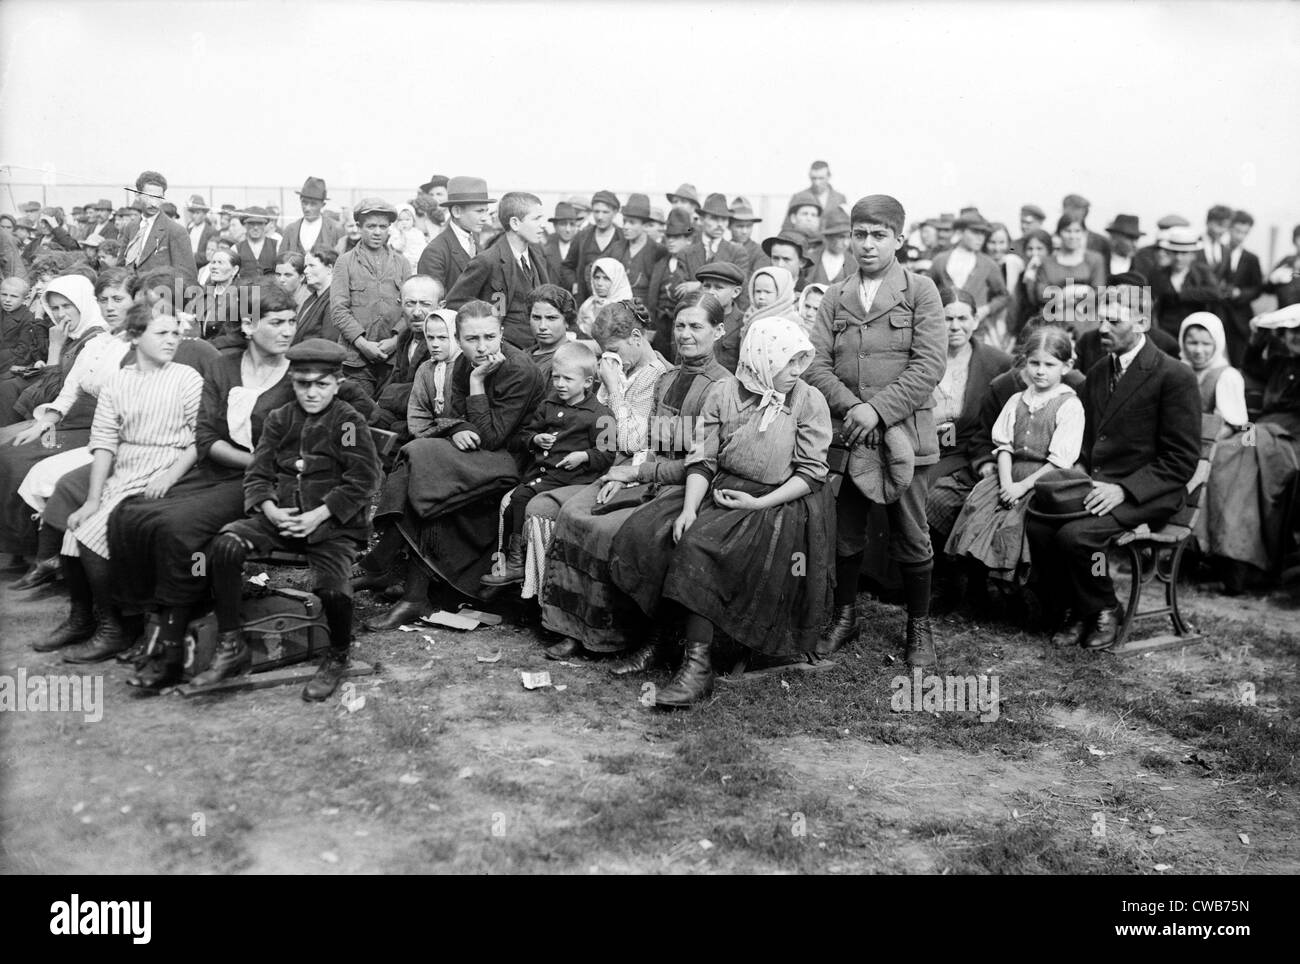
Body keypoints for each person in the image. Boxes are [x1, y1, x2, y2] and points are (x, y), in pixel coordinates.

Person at [608, 316, 834, 704]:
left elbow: (811, 473)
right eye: (789, 362)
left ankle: (698, 669)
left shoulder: (808, 400)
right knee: (652, 532)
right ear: (762, 358)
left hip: (779, 501)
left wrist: (759, 501)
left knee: (700, 547)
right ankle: (661, 639)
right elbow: (703, 460)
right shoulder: (726, 393)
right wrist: (690, 508)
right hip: (720, 487)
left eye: (801, 362)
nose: (797, 371)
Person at [538, 292, 727, 661]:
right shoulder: (668, 377)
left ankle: (612, 635)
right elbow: (647, 440)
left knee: (607, 529)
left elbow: (701, 459)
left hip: (686, 484)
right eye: (680, 326)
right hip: (647, 472)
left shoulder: (722, 386)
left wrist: (634, 472)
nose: (686, 335)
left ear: (718, 331)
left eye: (696, 327)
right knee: (576, 512)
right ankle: (573, 627)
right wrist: (620, 473)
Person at [803, 194, 946, 667]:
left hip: (904, 435)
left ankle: (918, 626)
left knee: (911, 532)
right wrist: (853, 408)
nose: (867, 244)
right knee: (847, 532)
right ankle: (845, 616)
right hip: (849, 436)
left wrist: (879, 411)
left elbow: (929, 365)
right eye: (859, 234)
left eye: (879, 235)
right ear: (849, 237)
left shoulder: (921, 290)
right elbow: (816, 364)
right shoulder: (835, 296)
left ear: (899, 240)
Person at [201, 338, 381, 699]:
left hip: (331, 523)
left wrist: (318, 515)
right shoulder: (280, 418)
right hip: (280, 518)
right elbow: (258, 472)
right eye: (303, 383)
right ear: (293, 381)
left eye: (322, 384)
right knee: (224, 546)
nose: (311, 393)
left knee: (333, 587)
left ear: (337, 382)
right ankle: (230, 641)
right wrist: (269, 509)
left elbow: (363, 479)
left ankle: (338, 653)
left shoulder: (347, 421)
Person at [1025, 284, 1201, 651]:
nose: (1102, 328)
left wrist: (1124, 490)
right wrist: (1078, 475)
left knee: (1077, 537)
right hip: (1099, 484)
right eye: (1100, 318)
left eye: (1113, 320)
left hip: (1151, 492)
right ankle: (1077, 607)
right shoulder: (1101, 370)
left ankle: (1105, 607)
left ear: (1141, 322)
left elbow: (1181, 460)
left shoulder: (1174, 376)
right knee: (1040, 523)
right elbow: (1089, 439)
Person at [360, 302, 544, 627]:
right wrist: (457, 428)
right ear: (459, 338)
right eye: (472, 339)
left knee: (422, 460)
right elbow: (451, 415)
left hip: (516, 458)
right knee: (418, 455)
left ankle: (389, 569)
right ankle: (405, 586)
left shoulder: (519, 370)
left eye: (490, 336)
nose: (482, 347)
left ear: (502, 333)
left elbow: (494, 436)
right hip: (477, 448)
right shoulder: (462, 362)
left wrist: (477, 383)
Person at [50, 305, 202, 663]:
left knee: (92, 534)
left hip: (169, 466)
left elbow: (200, 439)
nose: (171, 340)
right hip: (127, 467)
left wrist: (168, 475)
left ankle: (117, 627)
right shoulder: (118, 381)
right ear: (135, 338)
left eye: (174, 333)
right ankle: (83, 617)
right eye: (161, 333)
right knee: (74, 527)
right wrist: (92, 498)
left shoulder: (186, 378)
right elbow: (104, 441)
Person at [945, 325, 1083, 586]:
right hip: (1009, 473)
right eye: (1034, 363)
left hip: (1044, 479)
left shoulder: (1069, 405)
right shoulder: (1017, 399)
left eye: (1050, 364)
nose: (1040, 371)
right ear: (1024, 362)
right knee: (977, 509)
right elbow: (1004, 446)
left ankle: (1017, 588)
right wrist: (1007, 482)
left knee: (1015, 523)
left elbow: (1059, 460)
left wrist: (1020, 487)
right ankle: (977, 585)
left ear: (1066, 366)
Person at [481, 341, 613, 587]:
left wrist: (583, 456)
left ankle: (516, 564)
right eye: (556, 377)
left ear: (587, 382)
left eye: (568, 379)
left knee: (520, 499)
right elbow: (523, 435)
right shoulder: (548, 405)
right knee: (508, 505)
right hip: (540, 472)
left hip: (572, 478)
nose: (560, 384)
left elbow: (607, 454)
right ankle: (506, 565)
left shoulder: (600, 414)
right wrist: (535, 439)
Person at [1195, 305, 1300, 591]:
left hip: (1289, 441)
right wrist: (1257, 336)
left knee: (1240, 449)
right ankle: (1221, 555)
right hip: (1261, 434)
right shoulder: (1280, 362)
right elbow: (1251, 364)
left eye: (1299, 332)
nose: (1294, 337)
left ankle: (1239, 564)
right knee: (1225, 455)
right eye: (1290, 331)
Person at [924, 288, 1015, 554]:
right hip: (924, 447)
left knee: (925, 493)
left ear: (975, 320)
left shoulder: (997, 362)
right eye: (947, 319)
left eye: (963, 319)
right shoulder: (922, 356)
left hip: (968, 451)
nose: (955, 327)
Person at [445, 192, 552, 350]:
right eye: (536, 219)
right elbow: (455, 303)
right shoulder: (487, 261)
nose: (542, 225)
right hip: (500, 354)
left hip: (536, 350)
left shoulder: (537, 257)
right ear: (515, 223)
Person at [330, 197, 411, 396]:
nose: (377, 232)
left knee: (387, 415)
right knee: (360, 414)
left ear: (390, 228)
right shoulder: (345, 262)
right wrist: (363, 344)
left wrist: (395, 341)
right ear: (359, 226)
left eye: (383, 226)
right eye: (371, 226)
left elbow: (411, 307)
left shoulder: (402, 263)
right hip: (356, 360)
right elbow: (338, 310)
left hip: (393, 359)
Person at [368, 275, 442, 439]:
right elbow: (398, 379)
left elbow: (428, 392)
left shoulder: (443, 342)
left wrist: (387, 396)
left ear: (441, 306)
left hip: (429, 421)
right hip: (402, 413)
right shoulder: (404, 337)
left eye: (425, 304)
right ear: (400, 304)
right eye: (410, 303)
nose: (416, 312)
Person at [928, 214, 1009, 333]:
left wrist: (986, 309)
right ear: (960, 232)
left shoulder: (988, 264)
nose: (980, 238)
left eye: (983, 233)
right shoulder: (941, 260)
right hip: (944, 329)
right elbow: (924, 290)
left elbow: (1003, 296)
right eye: (975, 232)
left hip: (975, 330)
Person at [417, 176, 494, 293]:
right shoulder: (435, 252)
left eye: (486, 211)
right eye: (479, 211)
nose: (484, 218)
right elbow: (431, 300)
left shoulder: (476, 243)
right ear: (456, 211)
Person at [121, 171, 198, 287]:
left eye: (158, 198)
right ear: (137, 196)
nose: (154, 204)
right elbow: (121, 266)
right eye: (149, 197)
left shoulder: (176, 231)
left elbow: (187, 277)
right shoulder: (131, 228)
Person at [1031, 213, 1107, 328]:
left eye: (1077, 231)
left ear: (1084, 233)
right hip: (1054, 320)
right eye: (1067, 231)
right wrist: (1071, 291)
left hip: (1087, 320)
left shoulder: (1095, 259)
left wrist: (1067, 295)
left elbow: (1099, 291)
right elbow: (1041, 294)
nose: (1072, 236)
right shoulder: (1047, 262)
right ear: (1058, 234)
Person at [1150, 226, 1225, 340]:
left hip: (1195, 333)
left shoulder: (1202, 272)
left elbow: (1216, 293)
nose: (1178, 258)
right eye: (1175, 252)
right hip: (1166, 333)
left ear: (1193, 255)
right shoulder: (1158, 274)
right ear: (1169, 253)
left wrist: (1182, 294)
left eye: (1184, 253)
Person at [564, 190, 628, 305]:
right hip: (586, 301)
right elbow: (567, 266)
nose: (599, 217)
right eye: (596, 211)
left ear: (615, 212)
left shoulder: (623, 238)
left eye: (605, 212)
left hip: (615, 303)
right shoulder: (582, 236)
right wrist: (574, 283)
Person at [1218, 210, 1264, 366]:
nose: (1240, 236)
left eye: (1245, 233)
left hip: (1240, 320)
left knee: (1239, 362)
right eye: (1237, 231)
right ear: (1229, 228)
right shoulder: (1217, 252)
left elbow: (1258, 288)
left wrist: (1240, 293)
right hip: (1218, 314)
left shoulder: (1251, 258)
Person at [405, 307, 462, 434]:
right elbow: (418, 411)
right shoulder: (425, 369)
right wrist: (426, 435)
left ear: (456, 337)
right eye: (430, 338)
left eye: (442, 338)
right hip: (433, 433)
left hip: (462, 433)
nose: (435, 344)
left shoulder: (466, 366)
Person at [646, 209, 697, 346]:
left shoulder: (695, 264)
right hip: (661, 326)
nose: (671, 241)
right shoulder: (661, 263)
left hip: (686, 325)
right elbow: (652, 299)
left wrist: (697, 285)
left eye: (677, 237)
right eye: (669, 237)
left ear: (688, 239)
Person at [695, 261, 749, 372]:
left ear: (736, 292)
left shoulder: (744, 323)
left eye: (718, 288)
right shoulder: (690, 319)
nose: (710, 292)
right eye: (706, 286)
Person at [982, 221, 1025, 346]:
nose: (997, 248)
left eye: (1001, 243)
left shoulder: (1014, 263)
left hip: (1011, 322)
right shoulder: (981, 264)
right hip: (986, 323)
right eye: (992, 242)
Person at [619, 193, 665, 308]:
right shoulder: (617, 248)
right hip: (619, 308)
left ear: (645, 225)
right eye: (624, 221)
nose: (626, 226)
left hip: (645, 311)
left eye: (632, 222)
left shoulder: (658, 251)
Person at [280, 177, 344, 257]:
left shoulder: (336, 229)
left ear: (323, 205)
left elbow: (342, 262)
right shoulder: (290, 230)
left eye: (313, 204)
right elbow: (281, 261)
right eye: (304, 202)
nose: (307, 208)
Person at [525, 284, 577, 380]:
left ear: (567, 321)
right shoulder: (524, 354)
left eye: (551, 318)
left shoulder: (570, 360)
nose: (542, 326)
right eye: (536, 318)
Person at [577, 257, 633, 337]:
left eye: (606, 278)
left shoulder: (626, 308)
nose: (599, 283)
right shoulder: (588, 305)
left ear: (617, 280)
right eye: (596, 277)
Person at [292, 249, 337, 344]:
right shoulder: (312, 298)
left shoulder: (334, 299)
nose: (305, 271)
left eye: (311, 266)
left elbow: (329, 343)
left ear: (329, 268)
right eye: (305, 266)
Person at [1, 277, 42, 372]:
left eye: (13, 296)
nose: (7, 300)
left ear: (26, 299)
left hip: (11, 362)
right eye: (4, 294)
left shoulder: (28, 319)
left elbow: (23, 349)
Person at [542, 200, 580, 296]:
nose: (568, 229)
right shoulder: (546, 251)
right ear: (555, 226)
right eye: (563, 224)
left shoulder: (582, 248)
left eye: (572, 224)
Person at [809, 208, 854, 287]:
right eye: (841, 237)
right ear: (827, 237)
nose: (846, 243)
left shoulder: (854, 264)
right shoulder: (810, 260)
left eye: (848, 237)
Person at [1060, 194, 1111, 262]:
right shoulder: (1054, 238)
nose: (1075, 214)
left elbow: (1105, 269)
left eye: (1078, 209)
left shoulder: (1100, 242)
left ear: (1086, 213)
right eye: (1072, 209)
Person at [234, 207, 278, 284]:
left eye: (260, 224)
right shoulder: (236, 248)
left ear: (265, 225)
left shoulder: (276, 246)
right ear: (245, 225)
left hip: (270, 293)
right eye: (251, 224)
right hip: (245, 293)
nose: (256, 228)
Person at [1265, 225, 1300, 309]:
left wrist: (1294, 275)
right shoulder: (1287, 261)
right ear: (1295, 240)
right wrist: (1272, 280)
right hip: (1283, 313)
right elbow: (1268, 289)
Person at [729, 196, 766, 275]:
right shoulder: (721, 248)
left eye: (749, 226)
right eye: (739, 226)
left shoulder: (760, 252)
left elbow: (756, 280)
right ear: (729, 225)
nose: (744, 231)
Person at [388, 203, 428, 273]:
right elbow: (398, 247)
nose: (404, 223)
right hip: (402, 263)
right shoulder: (395, 234)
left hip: (417, 261)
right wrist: (402, 234)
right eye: (400, 220)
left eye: (407, 220)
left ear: (413, 220)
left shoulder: (417, 232)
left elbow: (423, 246)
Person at [1198, 204, 1234, 275]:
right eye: (1219, 225)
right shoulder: (1193, 246)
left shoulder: (1226, 251)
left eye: (1226, 226)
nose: (1222, 230)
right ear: (1208, 222)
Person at [1104, 214, 1143, 279]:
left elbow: (1146, 288)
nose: (1134, 244)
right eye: (1130, 238)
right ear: (1115, 238)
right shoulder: (1100, 262)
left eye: (1136, 239)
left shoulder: (1141, 267)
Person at [184, 195, 217, 269]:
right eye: (192, 213)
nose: (194, 216)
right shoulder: (188, 230)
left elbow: (211, 254)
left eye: (197, 213)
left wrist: (191, 256)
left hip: (202, 268)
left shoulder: (211, 231)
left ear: (204, 214)